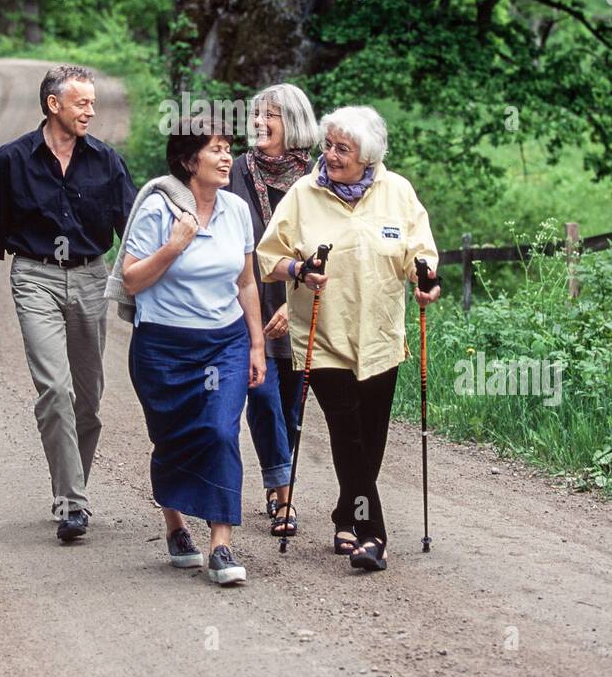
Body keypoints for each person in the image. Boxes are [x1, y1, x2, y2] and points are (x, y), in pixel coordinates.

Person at [257, 105, 440, 572]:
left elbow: (419, 255)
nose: (331, 156)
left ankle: (345, 513)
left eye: (343, 149)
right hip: (323, 336)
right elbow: (267, 258)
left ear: (368, 156)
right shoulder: (303, 194)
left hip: (379, 337)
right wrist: (298, 269)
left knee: (370, 436)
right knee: (346, 430)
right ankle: (372, 533)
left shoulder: (397, 192)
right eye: (328, 146)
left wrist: (426, 280)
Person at [0, 65, 136, 543]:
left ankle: (71, 484)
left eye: (92, 103)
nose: (91, 110)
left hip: (90, 276)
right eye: (82, 102)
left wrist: (150, 288)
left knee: (89, 400)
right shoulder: (10, 160)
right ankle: (72, 502)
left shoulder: (107, 161)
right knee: (55, 391)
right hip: (34, 276)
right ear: (53, 104)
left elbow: (133, 234)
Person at [119, 124, 266, 586]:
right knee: (173, 436)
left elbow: (245, 282)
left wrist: (257, 344)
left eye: (228, 151)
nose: (227, 159)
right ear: (189, 161)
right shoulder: (158, 210)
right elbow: (132, 280)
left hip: (223, 343)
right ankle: (176, 525)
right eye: (216, 151)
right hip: (163, 345)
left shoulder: (237, 210)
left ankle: (220, 544)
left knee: (221, 431)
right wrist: (175, 245)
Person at [226, 83, 318, 537]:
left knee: (291, 406)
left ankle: (278, 482)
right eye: (256, 114)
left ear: (294, 123)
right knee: (262, 399)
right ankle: (283, 494)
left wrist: (294, 304)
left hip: (301, 309)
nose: (259, 122)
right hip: (249, 308)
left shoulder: (317, 179)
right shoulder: (237, 172)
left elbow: (328, 248)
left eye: (271, 116)